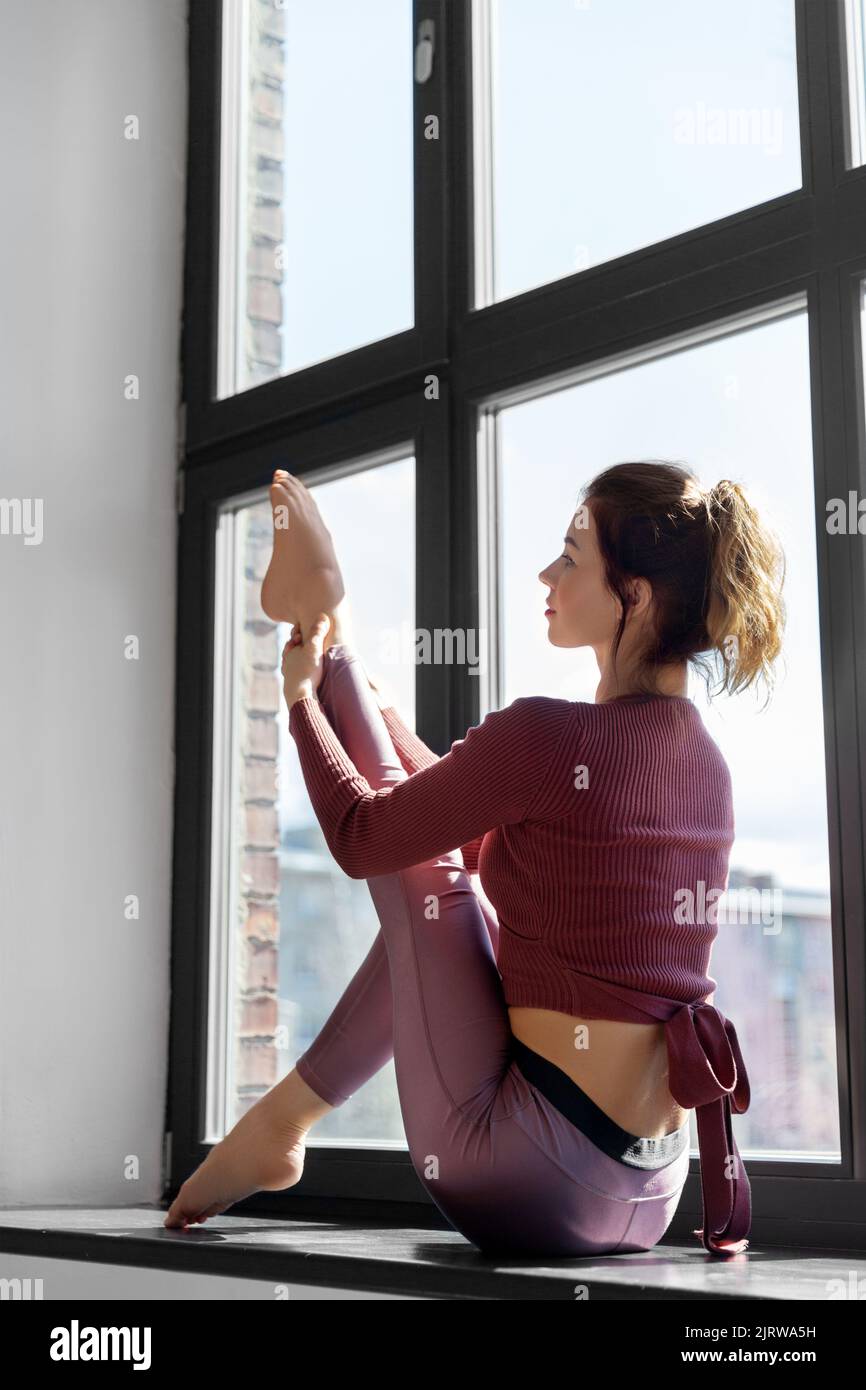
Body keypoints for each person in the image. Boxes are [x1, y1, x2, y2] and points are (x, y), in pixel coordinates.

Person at [165, 460, 784, 1257]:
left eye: (571, 554)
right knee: (446, 898)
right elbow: (472, 832)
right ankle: (279, 1125)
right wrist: (377, 714)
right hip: (653, 1194)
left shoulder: (547, 737)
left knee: (432, 891)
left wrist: (300, 696)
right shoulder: (706, 765)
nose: (545, 573)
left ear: (636, 595)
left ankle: (325, 619)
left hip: (526, 1174)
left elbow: (365, 837)